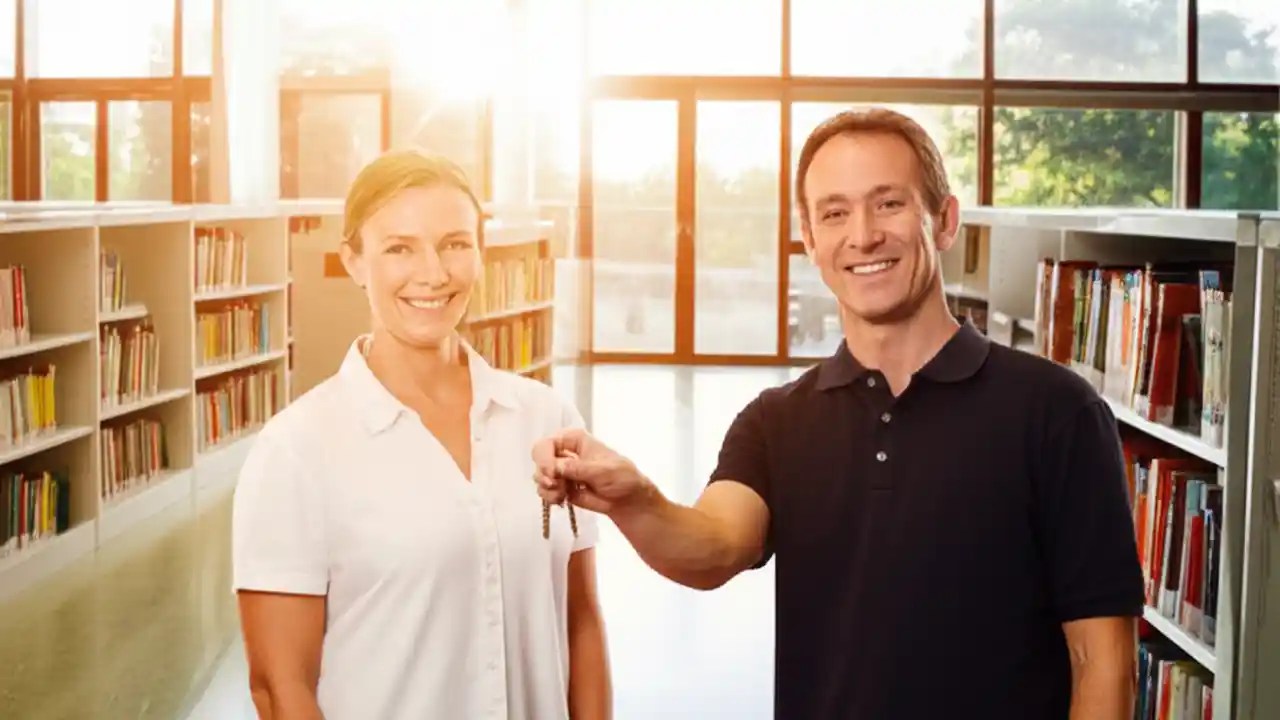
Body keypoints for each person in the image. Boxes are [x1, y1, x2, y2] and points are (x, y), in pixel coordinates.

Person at [534, 108, 1143, 719]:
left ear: (945, 220)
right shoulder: (775, 422)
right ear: (809, 237)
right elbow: (715, 548)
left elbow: (1101, 658)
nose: (863, 235)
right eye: (834, 213)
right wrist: (634, 499)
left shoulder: (1057, 412)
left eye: (888, 204)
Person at [232, 148, 612, 720]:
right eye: (399, 248)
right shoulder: (297, 450)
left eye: (455, 243)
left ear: (482, 254)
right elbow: (279, 687)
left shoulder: (547, 419)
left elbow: (580, 621)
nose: (433, 273)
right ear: (354, 262)